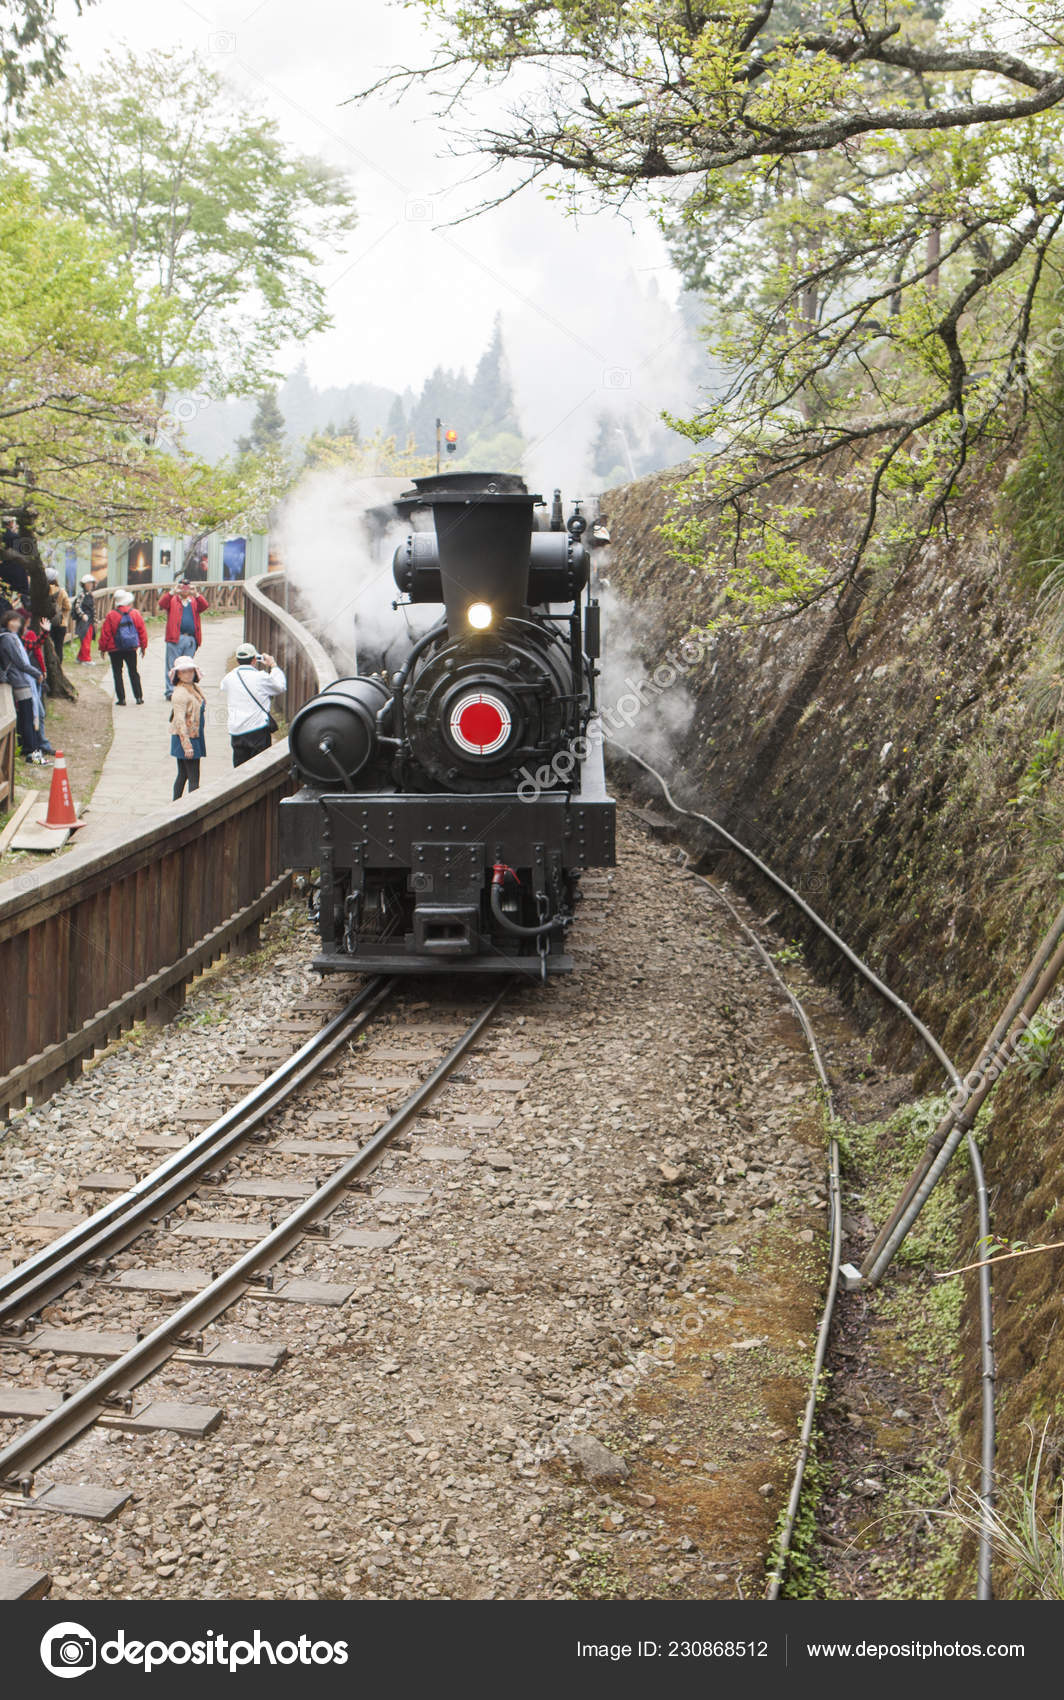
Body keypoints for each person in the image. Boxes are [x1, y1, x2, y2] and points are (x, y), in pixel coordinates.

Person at [219, 642, 286, 766]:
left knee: (239, 771)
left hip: (237, 731)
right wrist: (273, 665)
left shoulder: (229, 678)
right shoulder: (261, 677)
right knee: (260, 768)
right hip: (257, 730)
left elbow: (223, 686)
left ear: (237, 660)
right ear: (255, 659)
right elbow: (281, 686)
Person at [0, 608, 49, 764]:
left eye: (18, 621)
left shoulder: (15, 638)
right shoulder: (8, 639)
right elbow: (20, 663)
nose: (16, 623)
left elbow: (34, 645)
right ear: (7, 621)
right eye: (13, 620)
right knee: (28, 716)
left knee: (29, 715)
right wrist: (37, 673)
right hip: (20, 681)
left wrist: (45, 633)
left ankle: (31, 748)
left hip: (22, 680)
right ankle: (31, 750)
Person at [158, 579, 208, 699]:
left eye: (187, 587)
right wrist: (173, 592)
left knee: (187, 667)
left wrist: (196, 593)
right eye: (182, 587)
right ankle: (170, 691)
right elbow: (162, 604)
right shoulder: (173, 600)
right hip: (175, 637)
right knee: (172, 665)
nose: (185, 590)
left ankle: (186, 689)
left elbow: (205, 606)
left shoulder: (194, 601)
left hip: (190, 638)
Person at [98, 589, 147, 705]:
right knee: (133, 671)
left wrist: (103, 648)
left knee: (117, 673)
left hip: (115, 649)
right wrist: (143, 646)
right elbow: (142, 631)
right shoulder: (135, 613)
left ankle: (121, 699)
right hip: (130, 648)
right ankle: (138, 697)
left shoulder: (111, 615)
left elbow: (106, 633)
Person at [169, 655, 206, 798]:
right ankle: (192, 808)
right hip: (187, 738)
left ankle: (176, 803)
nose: (188, 674)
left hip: (194, 735)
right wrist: (187, 745)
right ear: (178, 674)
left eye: (190, 671)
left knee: (184, 774)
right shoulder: (180, 693)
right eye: (184, 671)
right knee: (193, 777)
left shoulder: (193, 688)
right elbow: (179, 721)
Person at [45, 568, 71, 657]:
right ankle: (58, 665)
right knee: (59, 646)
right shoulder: (61, 591)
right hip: (60, 623)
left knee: (47, 646)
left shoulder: (43, 591)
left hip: (46, 622)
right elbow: (68, 606)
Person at [74, 576, 96, 663]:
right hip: (83, 621)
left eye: (92, 583)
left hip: (90, 620)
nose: (91, 585)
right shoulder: (81, 595)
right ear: (84, 584)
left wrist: (95, 620)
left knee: (88, 639)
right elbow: (77, 606)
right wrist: (82, 614)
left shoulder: (90, 595)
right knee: (85, 639)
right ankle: (86, 659)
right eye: (89, 583)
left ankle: (80, 657)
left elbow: (93, 609)